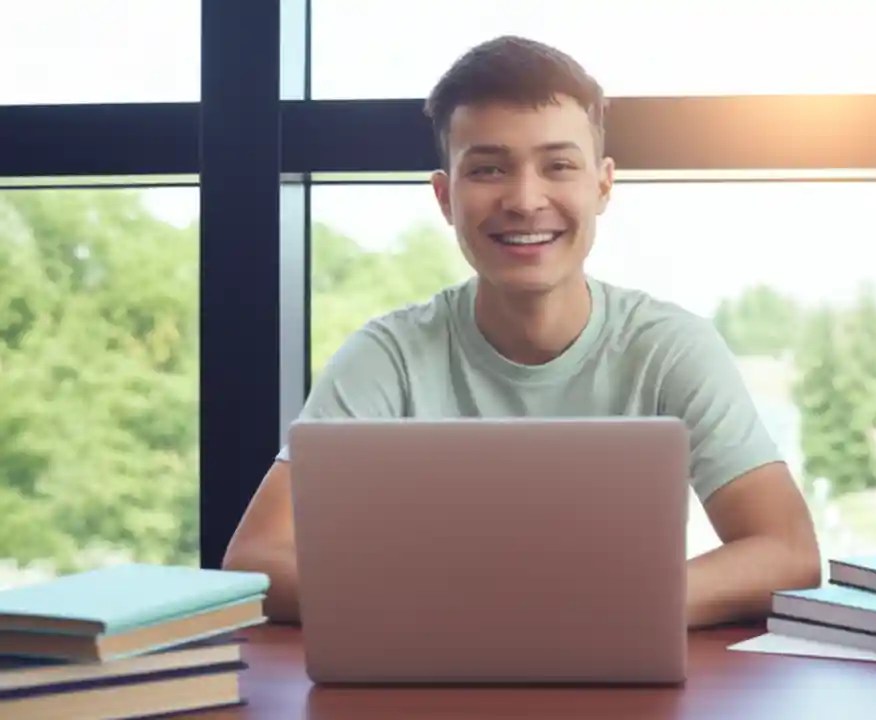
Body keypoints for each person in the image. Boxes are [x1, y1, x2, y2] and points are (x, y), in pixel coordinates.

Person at [222, 35, 821, 629]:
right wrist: (467, 611)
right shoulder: (391, 354)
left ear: (603, 185)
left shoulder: (669, 346)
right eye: (487, 169)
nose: (525, 199)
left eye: (558, 166)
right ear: (445, 196)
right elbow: (257, 559)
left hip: (617, 662)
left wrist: (608, 608)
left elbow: (787, 551)